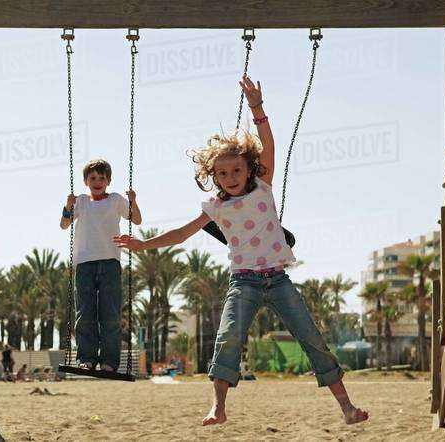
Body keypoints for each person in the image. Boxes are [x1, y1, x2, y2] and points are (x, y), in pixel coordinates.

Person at [114, 76, 369, 426]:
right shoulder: (214, 207)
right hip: (243, 283)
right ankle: (218, 407)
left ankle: (347, 408)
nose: (231, 176)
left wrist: (257, 108)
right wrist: (143, 244)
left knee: (312, 338)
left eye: (237, 170)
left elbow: (268, 145)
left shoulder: (262, 186)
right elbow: (181, 234)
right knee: (228, 337)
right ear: (214, 177)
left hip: (278, 280)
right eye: (222, 173)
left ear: (250, 169)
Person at [60, 159, 142, 372]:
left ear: (108, 181)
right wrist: (68, 206)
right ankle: (86, 358)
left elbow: (137, 220)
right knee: (85, 312)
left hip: (110, 262)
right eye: (93, 178)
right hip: (85, 263)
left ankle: (109, 362)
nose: (97, 181)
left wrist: (133, 201)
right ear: (86, 181)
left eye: (102, 178)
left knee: (111, 314)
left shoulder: (115, 200)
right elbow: (64, 224)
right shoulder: (82, 202)